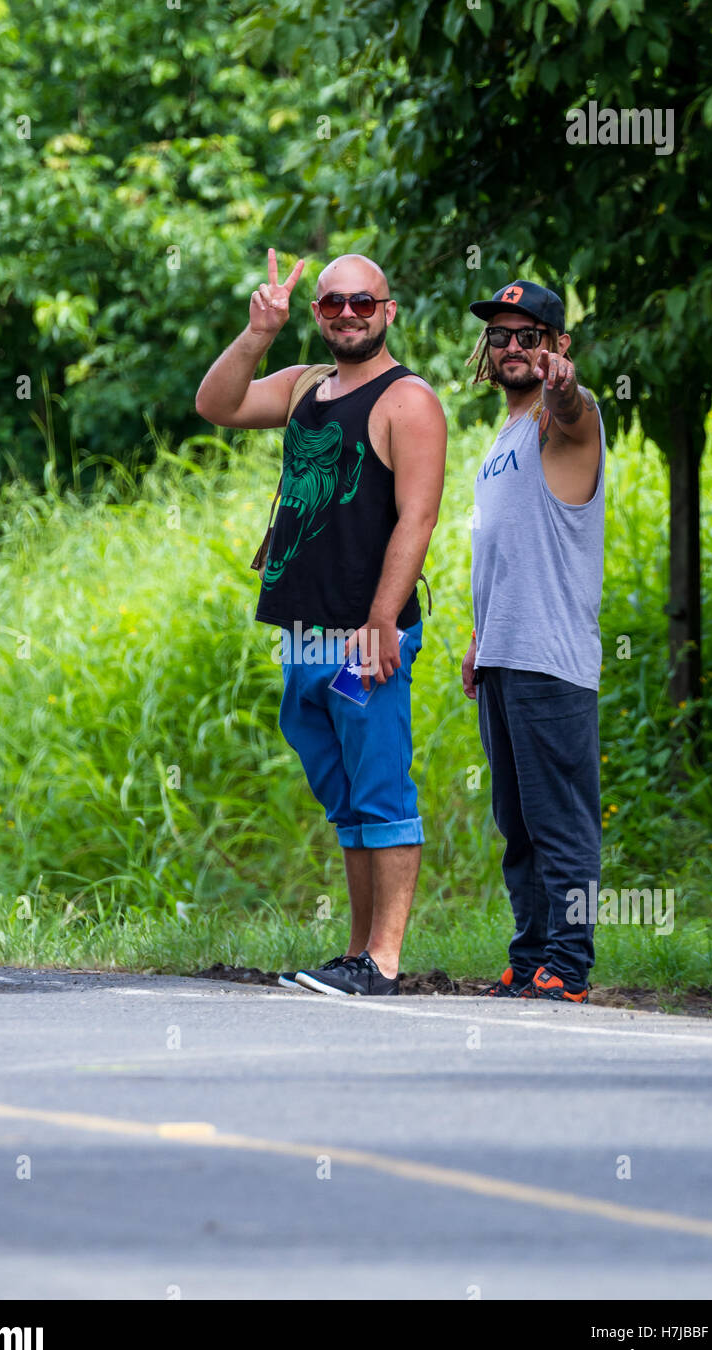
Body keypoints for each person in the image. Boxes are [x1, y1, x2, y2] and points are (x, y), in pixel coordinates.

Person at [196, 250, 446, 996]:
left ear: (388, 310)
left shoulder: (409, 401)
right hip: (304, 628)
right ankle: (355, 955)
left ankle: (385, 960)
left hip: (364, 631)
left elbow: (418, 516)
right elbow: (217, 405)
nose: (347, 314)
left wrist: (379, 621)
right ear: (316, 314)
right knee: (344, 798)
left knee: (380, 790)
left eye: (362, 303)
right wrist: (257, 334)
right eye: (333, 303)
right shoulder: (308, 385)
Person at [461, 280, 605, 1003]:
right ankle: (530, 957)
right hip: (503, 658)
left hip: (551, 662)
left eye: (529, 336)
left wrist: (566, 390)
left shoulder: (566, 421)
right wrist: (479, 639)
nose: (513, 347)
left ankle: (569, 967)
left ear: (557, 347)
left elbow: (571, 406)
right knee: (518, 826)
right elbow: (507, 548)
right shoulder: (502, 439)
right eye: (501, 336)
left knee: (561, 824)